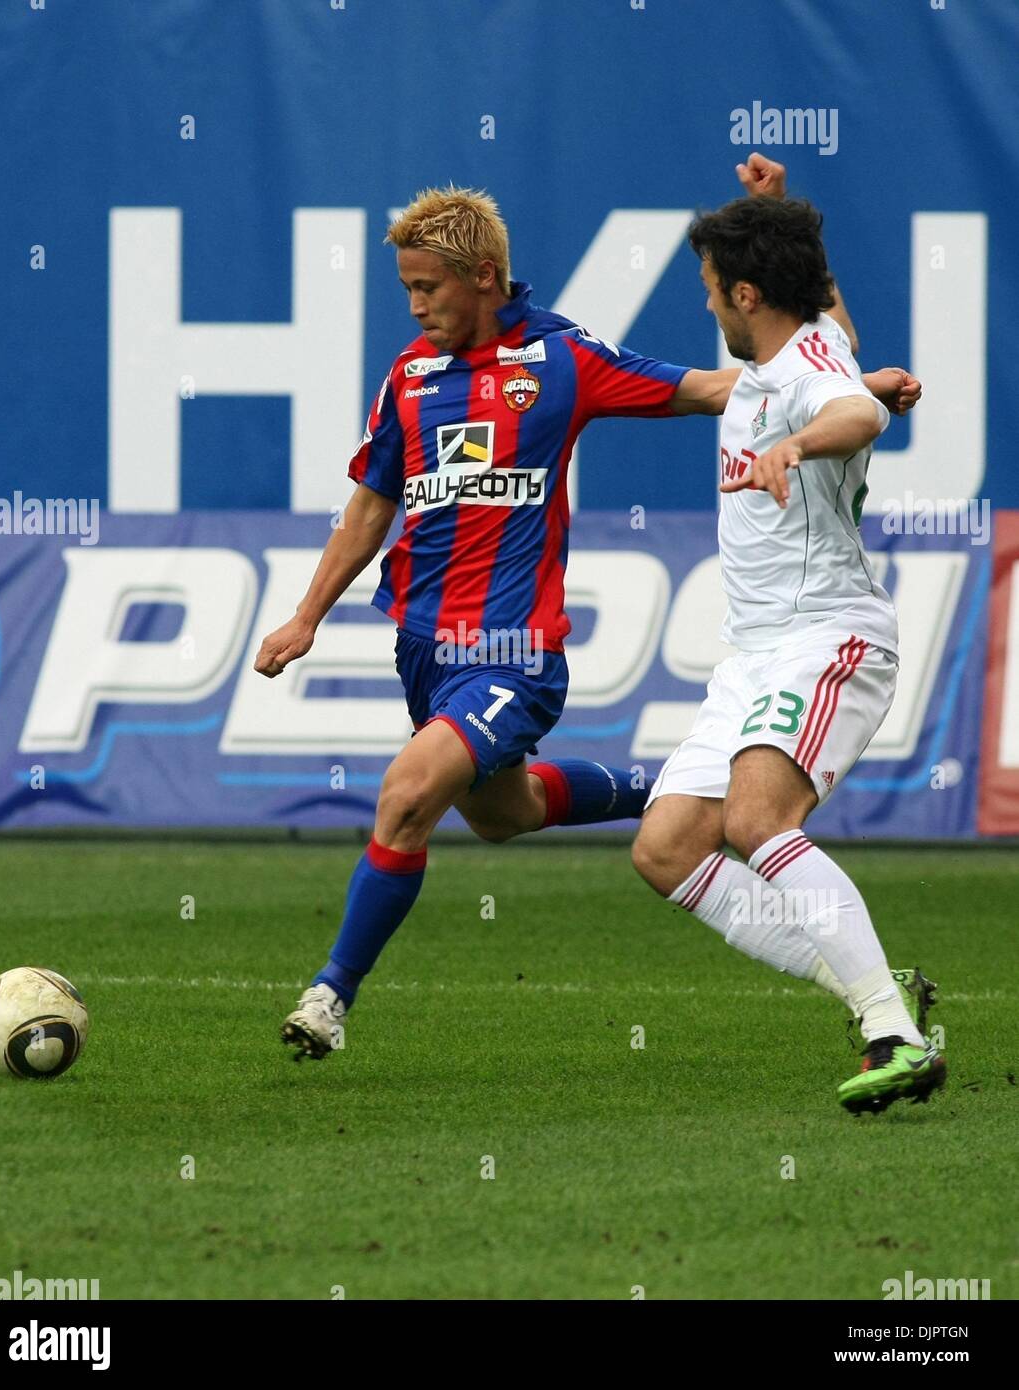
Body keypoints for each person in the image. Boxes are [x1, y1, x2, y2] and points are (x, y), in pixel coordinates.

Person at [255, 166, 920, 1065]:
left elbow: (708, 387)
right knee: (501, 813)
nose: (414, 308)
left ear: (482, 276)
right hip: (426, 644)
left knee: (408, 794)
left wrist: (847, 393)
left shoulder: (559, 358)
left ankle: (330, 994)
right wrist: (306, 617)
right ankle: (664, 788)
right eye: (406, 289)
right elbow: (372, 505)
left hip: (514, 649)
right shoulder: (408, 378)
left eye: (426, 287)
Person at [632, 161, 942, 1114]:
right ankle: (878, 999)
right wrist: (771, 214)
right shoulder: (803, 348)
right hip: (755, 654)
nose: (710, 303)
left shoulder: (809, 375)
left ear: (748, 295)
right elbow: (844, 356)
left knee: (758, 822)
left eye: (713, 289)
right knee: (669, 848)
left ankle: (892, 1032)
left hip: (828, 638)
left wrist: (799, 445)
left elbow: (848, 408)